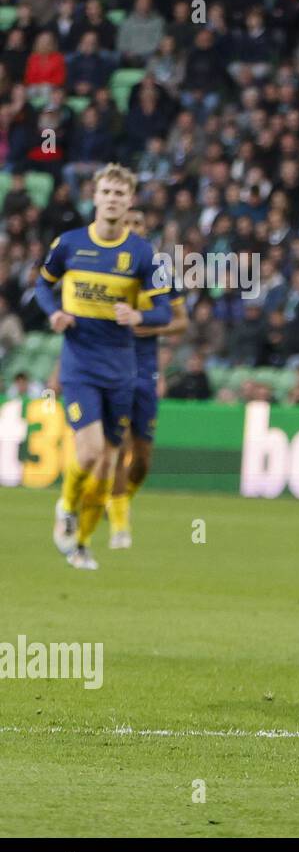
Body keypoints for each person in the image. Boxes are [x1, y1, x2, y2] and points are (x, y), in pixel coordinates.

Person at [35, 164, 172, 569]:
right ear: (94, 197)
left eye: (120, 193)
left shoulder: (143, 254)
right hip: (79, 364)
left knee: (109, 463)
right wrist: (54, 312)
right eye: (106, 192)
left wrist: (139, 317)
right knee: (91, 451)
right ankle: (65, 505)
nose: (112, 199)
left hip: (122, 368)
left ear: (130, 201)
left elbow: (164, 309)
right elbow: (43, 283)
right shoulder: (69, 244)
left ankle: (79, 543)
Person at [103, 207, 189, 549]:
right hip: (113, 364)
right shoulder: (104, 268)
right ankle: (120, 527)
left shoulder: (159, 270)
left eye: (139, 223)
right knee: (119, 443)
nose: (134, 228)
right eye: (127, 223)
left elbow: (182, 322)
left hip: (146, 368)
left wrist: (147, 324)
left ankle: (119, 499)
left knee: (142, 460)